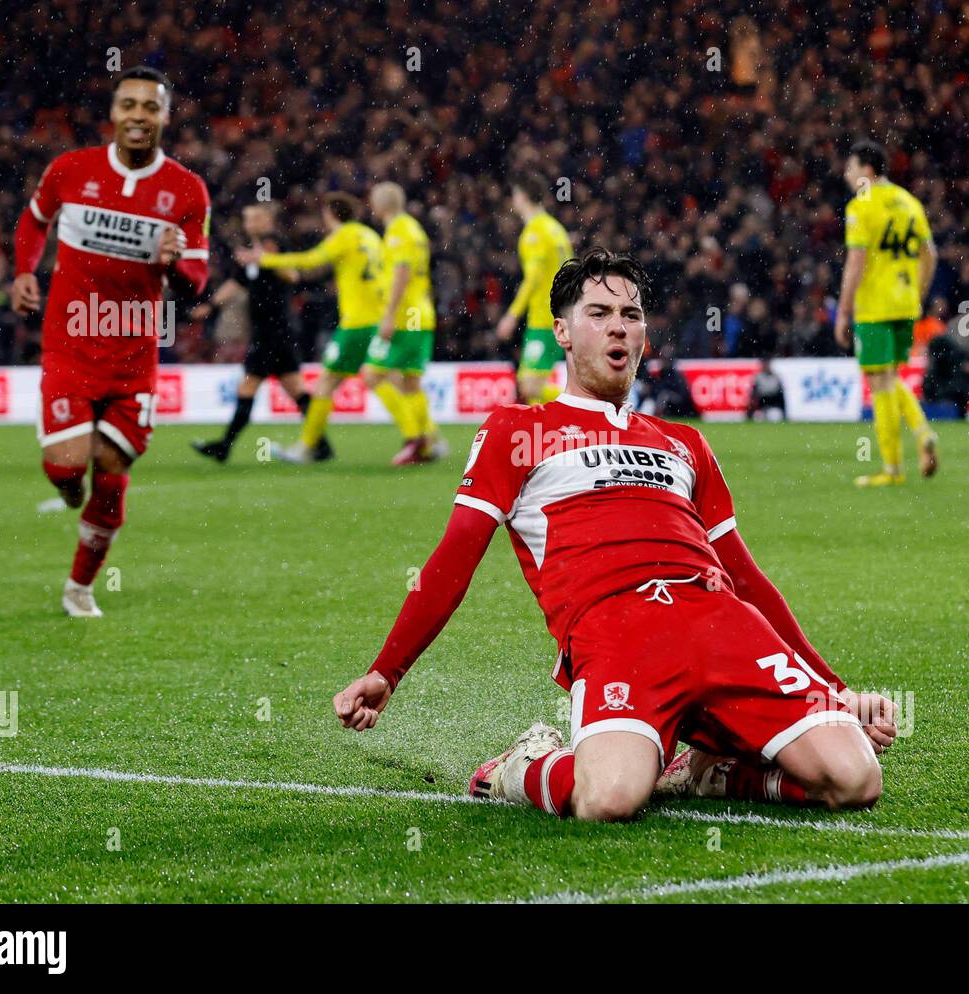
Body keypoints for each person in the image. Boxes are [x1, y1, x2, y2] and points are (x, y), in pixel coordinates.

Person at [333, 249, 898, 821]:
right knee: (609, 799)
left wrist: (835, 688)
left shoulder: (684, 442)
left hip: (721, 622)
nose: (618, 326)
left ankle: (708, 773)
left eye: (631, 315)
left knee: (856, 780)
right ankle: (522, 764)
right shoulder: (518, 429)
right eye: (599, 313)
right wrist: (387, 671)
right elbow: (453, 560)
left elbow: (747, 578)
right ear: (563, 331)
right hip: (616, 631)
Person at [11, 66, 209, 617]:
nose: (139, 116)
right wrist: (25, 272)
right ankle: (69, 491)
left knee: (111, 469)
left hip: (134, 352)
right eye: (129, 105)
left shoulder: (187, 190)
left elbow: (197, 278)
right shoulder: (71, 171)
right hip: (71, 341)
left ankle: (80, 586)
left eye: (150, 107)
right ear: (114, 113)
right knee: (70, 468)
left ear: (166, 116)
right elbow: (33, 225)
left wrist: (174, 267)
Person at [236, 193, 384, 465]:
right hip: (377, 318)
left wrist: (266, 260)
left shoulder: (345, 235)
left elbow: (311, 260)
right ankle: (422, 436)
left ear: (331, 214)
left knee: (339, 382)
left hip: (356, 324)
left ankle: (308, 447)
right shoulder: (370, 236)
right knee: (378, 378)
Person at [834, 140, 940, 487]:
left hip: (875, 305)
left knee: (880, 383)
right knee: (891, 379)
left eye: (850, 167)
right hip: (906, 303)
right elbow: (931, 255)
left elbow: (856, 261)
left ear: (867, 169)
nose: (847, 175)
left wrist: (843, 310)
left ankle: (894, 468)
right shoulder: (909, 201)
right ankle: (921, 437)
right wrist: (918, 295)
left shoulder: (861, 205)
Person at [191, 203, 320, 462]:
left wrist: (266, 259)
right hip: (269, 329)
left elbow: (292, 275)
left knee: (249, 385)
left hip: (275, 329)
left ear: (268, 221)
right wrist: (210, 306)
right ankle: (321, 444)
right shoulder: (251, 251)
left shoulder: (274, 244)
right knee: (295, 388)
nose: (251, 223)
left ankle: (225, 446)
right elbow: (236, 282)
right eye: (248, 218)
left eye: (256, 218)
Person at [367, 182, 446, 465]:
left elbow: (402, 274)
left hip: (405, 317)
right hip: (422, 316)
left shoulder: (398, 230)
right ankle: (428, 439)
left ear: (380, 205)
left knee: (371, 374)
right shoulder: (414, 228)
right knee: (411, 382)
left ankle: (414, 439)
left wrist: (389, 316)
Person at [494, 173, 573, 404]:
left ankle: (592, 410)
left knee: (529, 385)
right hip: (563, 313)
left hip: (544, 317)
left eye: (515, 195)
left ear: (523, 197)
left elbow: (534, 279)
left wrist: (511, 315)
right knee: (530, 385)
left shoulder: (534, 233)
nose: (514, 200)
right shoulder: (555, 228)